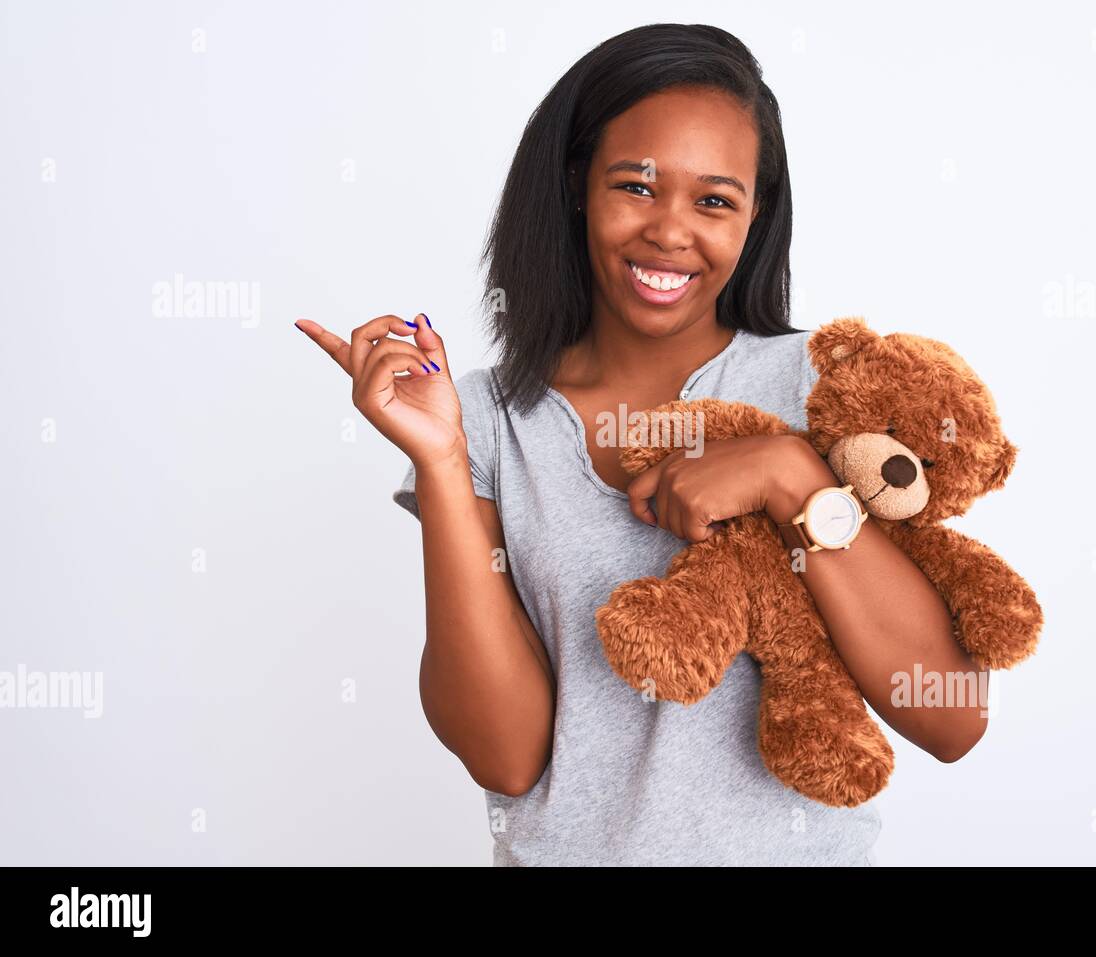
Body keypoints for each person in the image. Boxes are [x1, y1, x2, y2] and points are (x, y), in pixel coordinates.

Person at [295, 23, 987, 866]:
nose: (670, 232)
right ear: (576, 184)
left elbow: (951, 718)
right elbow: (505, 755)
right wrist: (441, 462)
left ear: (755, 215)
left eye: (715, 200)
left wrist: (790, 474)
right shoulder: (484, 420)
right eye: (636, 186)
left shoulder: (827, 389)